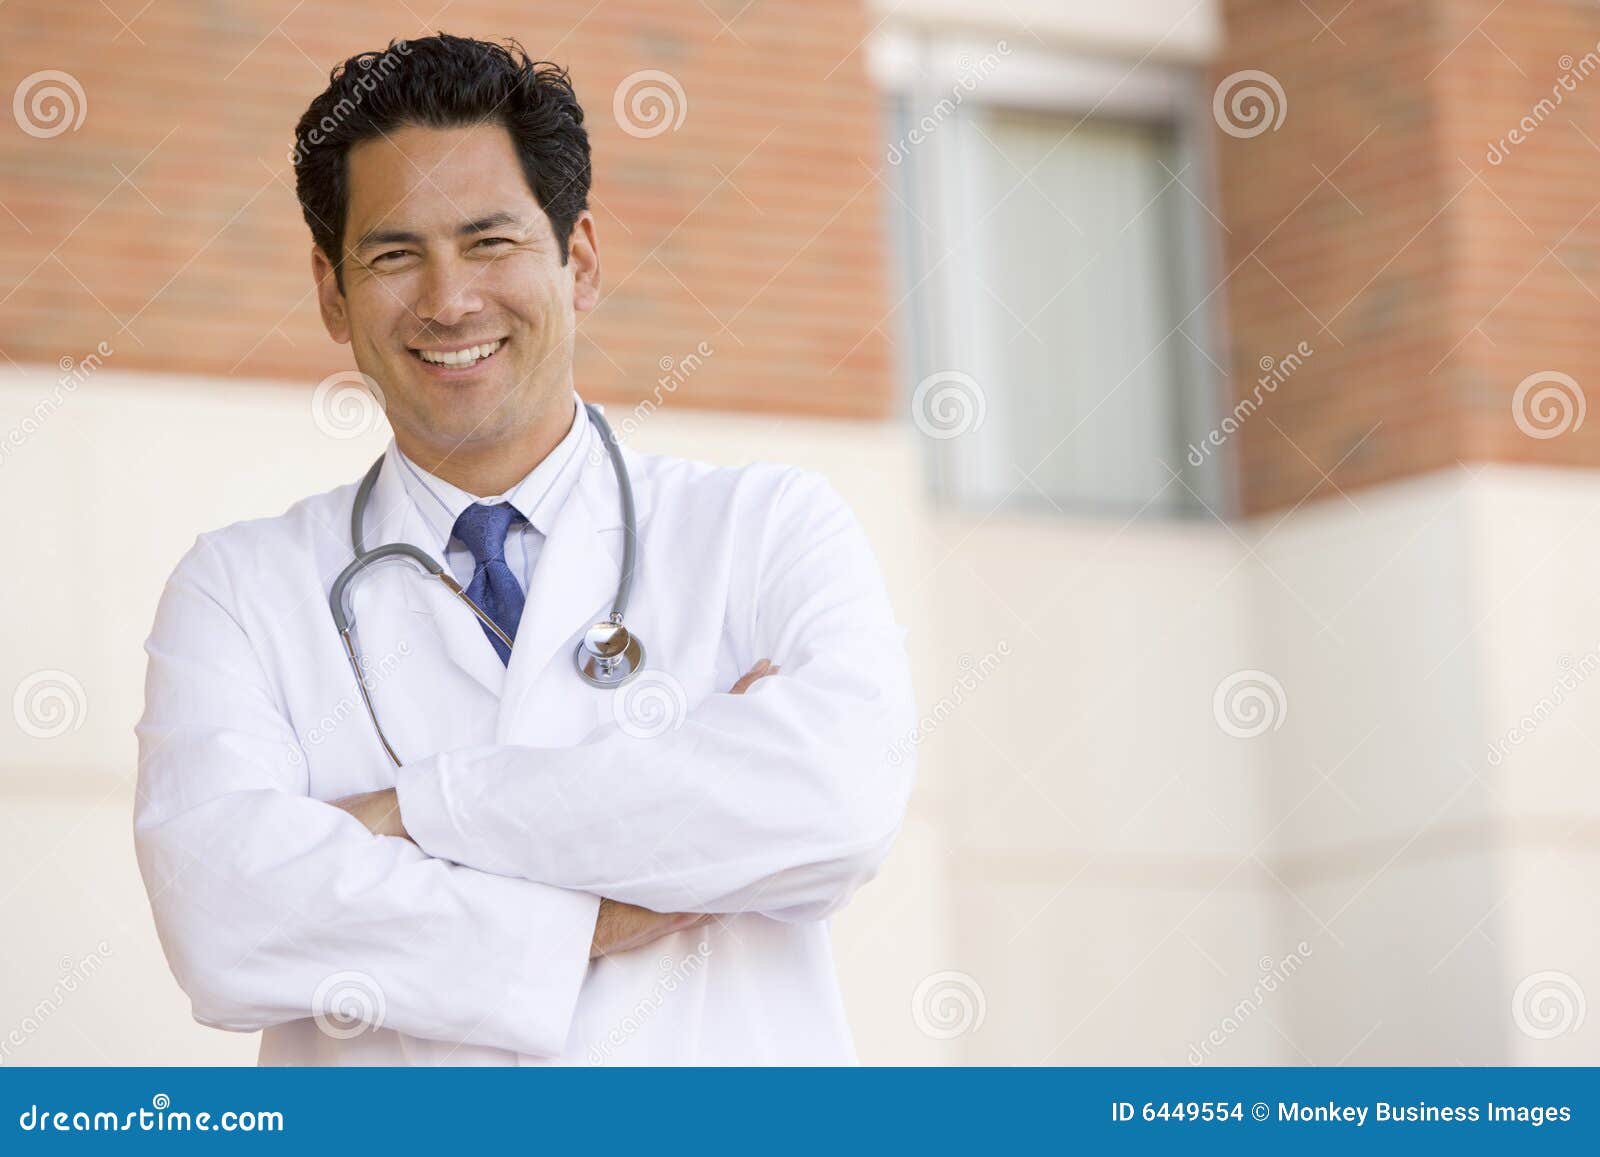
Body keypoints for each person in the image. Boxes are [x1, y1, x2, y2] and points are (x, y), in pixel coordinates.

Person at [131, 32, 916, 1066]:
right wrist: (591, 916)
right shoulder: (239, 589)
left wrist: (410, 813)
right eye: (393, 252)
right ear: (330, 290)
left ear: (578, 259)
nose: (450, 300)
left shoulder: (764, 529)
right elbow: (226, 910)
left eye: (490, 241)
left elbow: (833, 802)